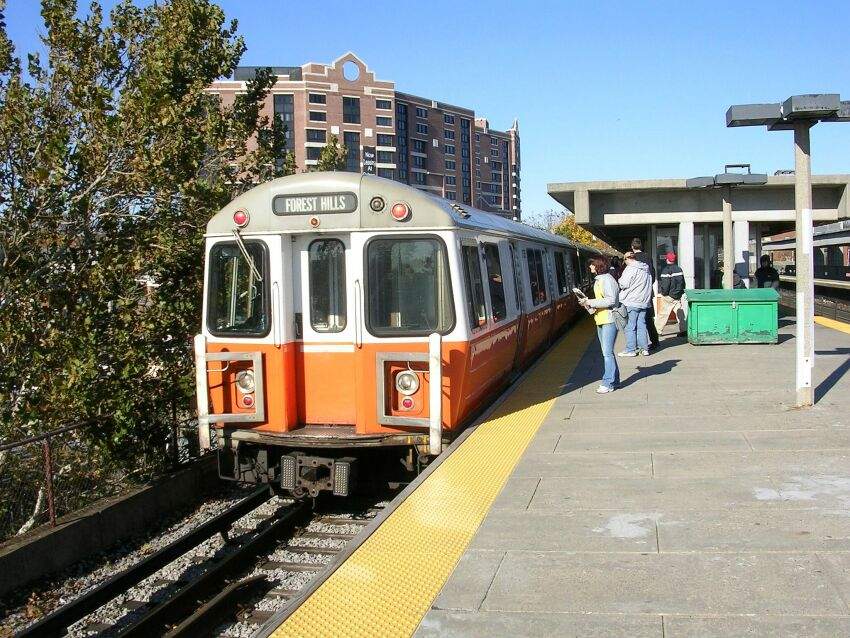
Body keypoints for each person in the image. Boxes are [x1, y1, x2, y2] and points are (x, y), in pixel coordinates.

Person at [578, 256, 620, 394]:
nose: (590, 267)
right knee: (608, 353)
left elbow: (610, 300)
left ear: (598, 266)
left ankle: (608, 383)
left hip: (609, 319)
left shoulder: (606, 280)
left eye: (592, 265)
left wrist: (590, 302)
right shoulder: (600, 280)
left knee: (607, 353)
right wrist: (587, 304)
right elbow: (600, 301)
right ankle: (615, 381)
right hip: (601, 319)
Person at [617, 251, 653, 357]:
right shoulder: (646, 269)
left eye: (624, 260)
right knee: (642, 325)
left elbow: (623, 284)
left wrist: (619, 279)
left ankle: (630, 349)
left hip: (632, 301)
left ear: (627, 259)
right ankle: (644, 349)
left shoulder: (630, 269)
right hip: (644, 301)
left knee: (630, 326)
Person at [630, 238, 660, 348]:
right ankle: (655, 341)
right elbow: (653, 274)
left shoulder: (632, 258)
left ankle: (639, 345)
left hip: (636, 295)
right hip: (647, 293)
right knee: (648, 319)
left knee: (636, 320)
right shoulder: (648, 257)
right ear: (641, 246)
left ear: (632, 247)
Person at [655, 251, 687, 336]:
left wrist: (663, 293)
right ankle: (683, 330)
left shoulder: (666, 270)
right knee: (680, 313)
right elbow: (683, 283)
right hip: (677, 295)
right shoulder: (679, 269)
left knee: (663, 314)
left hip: (668, 296)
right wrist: (680, 292)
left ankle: (658, 331)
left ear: (667, 259)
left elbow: (665, 285)